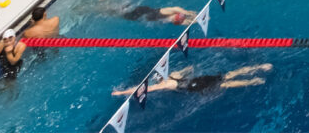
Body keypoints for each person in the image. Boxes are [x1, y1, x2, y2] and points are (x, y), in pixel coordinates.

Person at [114, 64, 273, 97]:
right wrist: (189, 69)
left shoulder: (165, 84)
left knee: (227, 84)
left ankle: (255, 81)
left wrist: (121, 92)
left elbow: (143, 89)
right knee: (230, 75)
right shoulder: (173, 74)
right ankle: (260, 67)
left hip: (196, 87)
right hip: (200, 79)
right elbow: (189, 69)